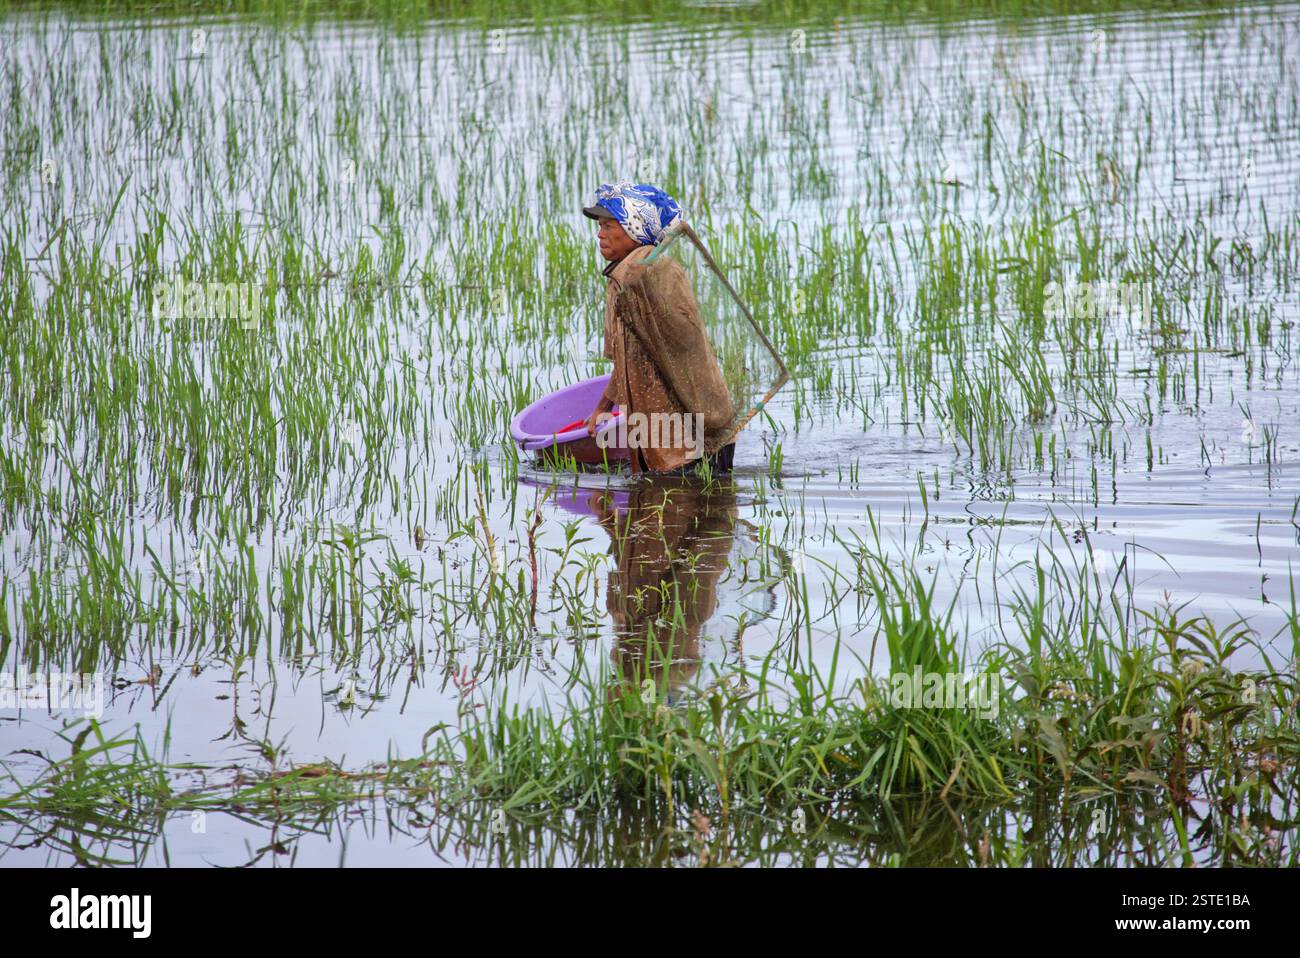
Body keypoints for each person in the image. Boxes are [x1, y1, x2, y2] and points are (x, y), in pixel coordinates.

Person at [581, 182, 736, 476]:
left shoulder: (651, 271)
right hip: (667, 433)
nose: (600, 234)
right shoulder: (622, 276)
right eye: (599, 225)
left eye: (609, 225)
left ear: (635, 226)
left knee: (686, 509)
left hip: (691, 433)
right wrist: (602, 408)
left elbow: (685, 341)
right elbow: (630, 358)